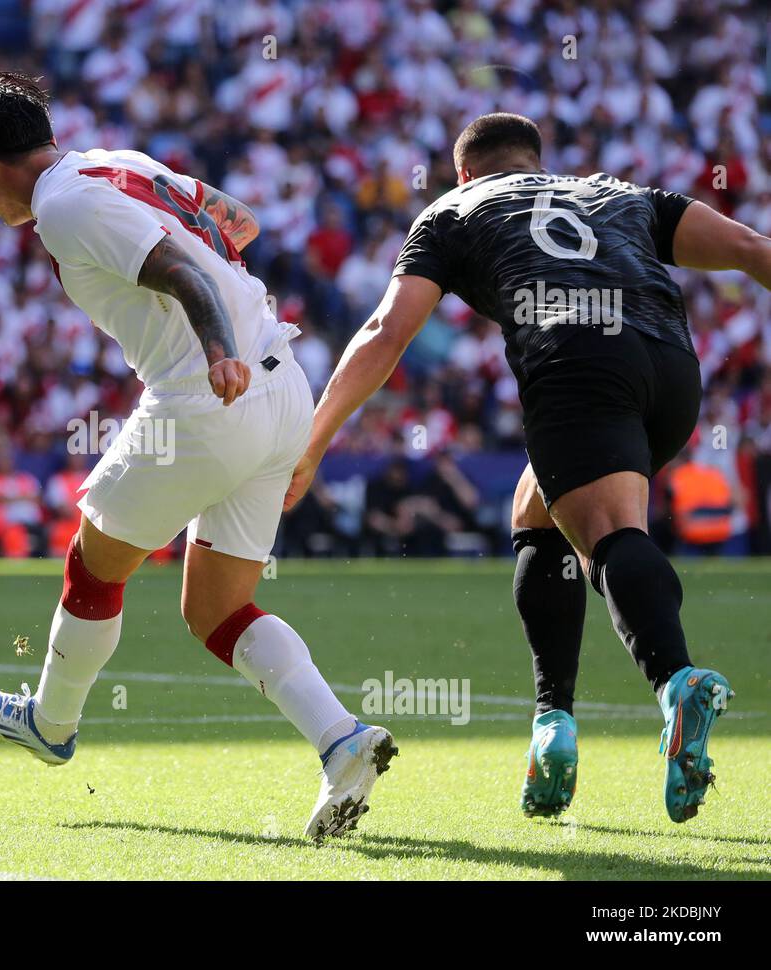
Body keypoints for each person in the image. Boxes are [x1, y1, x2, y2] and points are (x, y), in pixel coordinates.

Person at [0, 73, 394, 842]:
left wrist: (217, 351)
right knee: (214, 609)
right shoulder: (117, 162)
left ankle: (50, 722)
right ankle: (341, 741)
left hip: (212, 393)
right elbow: (238, 222)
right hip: (284, 391)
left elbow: (180, 273)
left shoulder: (62, 203)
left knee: (94, 559)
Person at [285, 112, 747, 824]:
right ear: (539, 162)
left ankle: (675, 682)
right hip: (672, 370)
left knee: (609, 531)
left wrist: (312, 442)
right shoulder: (616, 191)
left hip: (578, 366)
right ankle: (551, 726)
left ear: (464, 172)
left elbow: (387, 330)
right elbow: (749, 247)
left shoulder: (451, 210)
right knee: (536, 508)